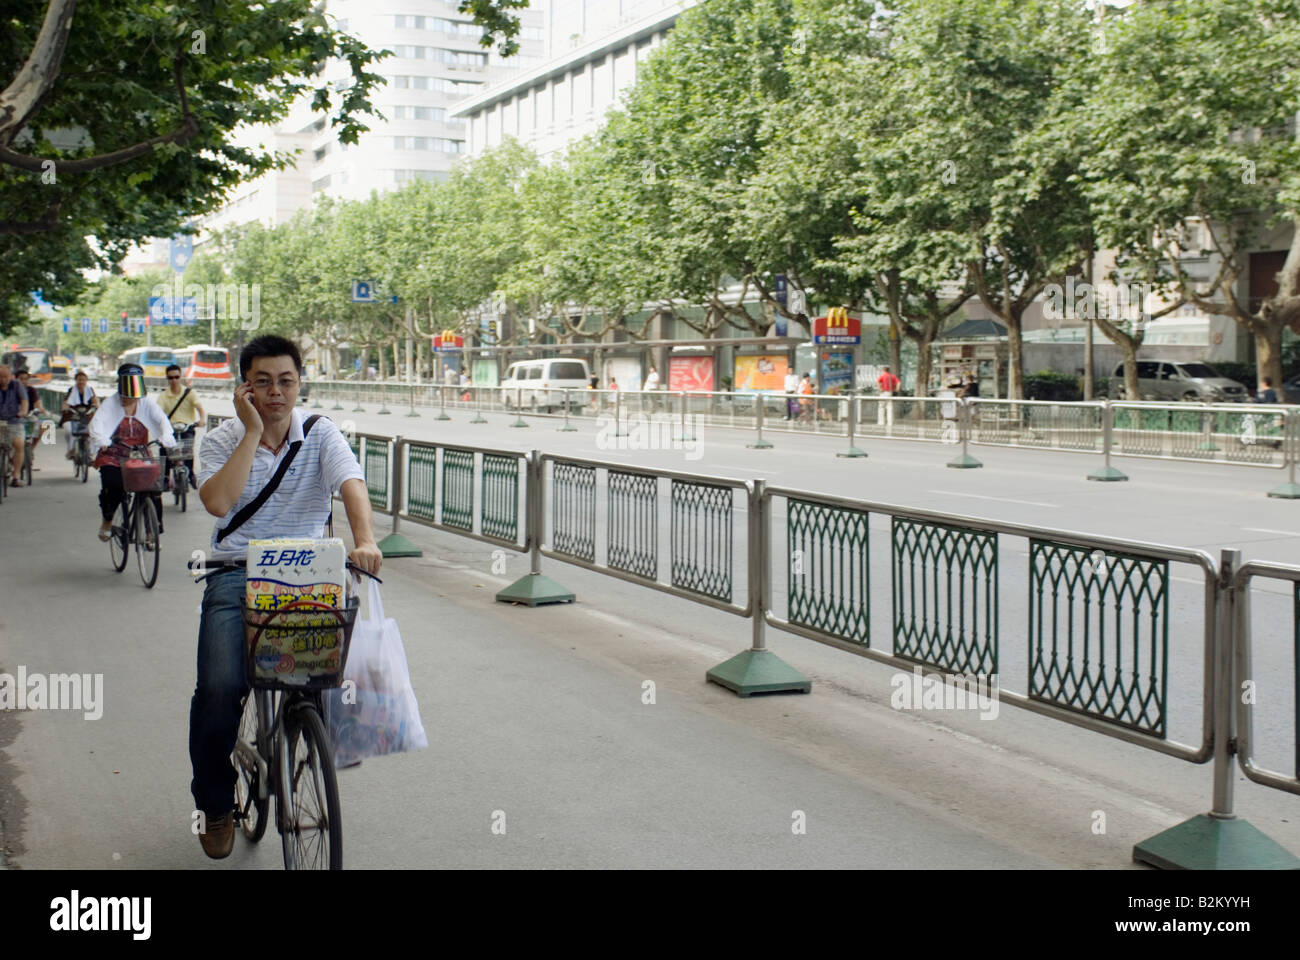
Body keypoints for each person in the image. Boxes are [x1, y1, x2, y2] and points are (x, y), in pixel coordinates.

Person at [190, 334, 381, 859]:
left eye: (286, 381)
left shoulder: (320, 434)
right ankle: (215, 804)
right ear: (244, 386)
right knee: (220, 690)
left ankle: (309, 731)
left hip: (310, 576)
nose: (276, 392)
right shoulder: (218, 440)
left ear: (300, 382)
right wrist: (252, 433)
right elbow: (219, 503)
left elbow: (352, 485)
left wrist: (364, 540)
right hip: (236, 574)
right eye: (263, 382)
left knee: (324, 678)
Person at [89, 363, 176, 540]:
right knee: (113, 485)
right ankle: (108, 519)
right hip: (113, 453)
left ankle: (153, 530)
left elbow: (163, 421)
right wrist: (102, 440)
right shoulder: (110, 403)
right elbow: (96, 424)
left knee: (153, 488)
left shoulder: (146, 403)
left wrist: (166, 436)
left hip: (139, 453)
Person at [160, 363, 205, 489]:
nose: (174, 380)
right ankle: (165, 477)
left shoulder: (190, 393)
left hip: (187, 427)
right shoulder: (164, 395)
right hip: (170, 429)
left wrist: (201, 420)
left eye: (176, 377)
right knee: (164, 449)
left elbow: (200, 408)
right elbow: (157, 412)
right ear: (167, 379)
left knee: (188, 449)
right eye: (170, 378)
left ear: (181, 377)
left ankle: (191, 474)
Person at [0, 364, 28, 486]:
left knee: (19, 444)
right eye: (0, 377)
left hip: (14, 420)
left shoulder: (17, 385)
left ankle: (15, 476)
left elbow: (24, 401)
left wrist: (23, 411)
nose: (3, 379)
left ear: (10, 376)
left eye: (5, 377)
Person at [61, 369, 100, 459]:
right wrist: (65, 408)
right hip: (73, 415)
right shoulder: (71, 390)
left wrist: (96, 407)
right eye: (79, 380)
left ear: (86, 381)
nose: (81, 382)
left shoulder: (90, 390)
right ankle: (71, 450)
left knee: (94, 432)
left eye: (83, 380)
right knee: (69, 430)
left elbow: (95, 401)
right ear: (76, 380)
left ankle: (91, 453)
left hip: (87, 415)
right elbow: (66, 403)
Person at [16, 369, 52, 451]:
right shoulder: (12, 389)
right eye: (21, 378)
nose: (23, 381)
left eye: (25, 379)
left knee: (42, 427)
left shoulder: (31, 390)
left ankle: (32, 448)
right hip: (14, 417)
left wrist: (42, 410)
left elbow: (38, 403)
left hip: (29, 416)